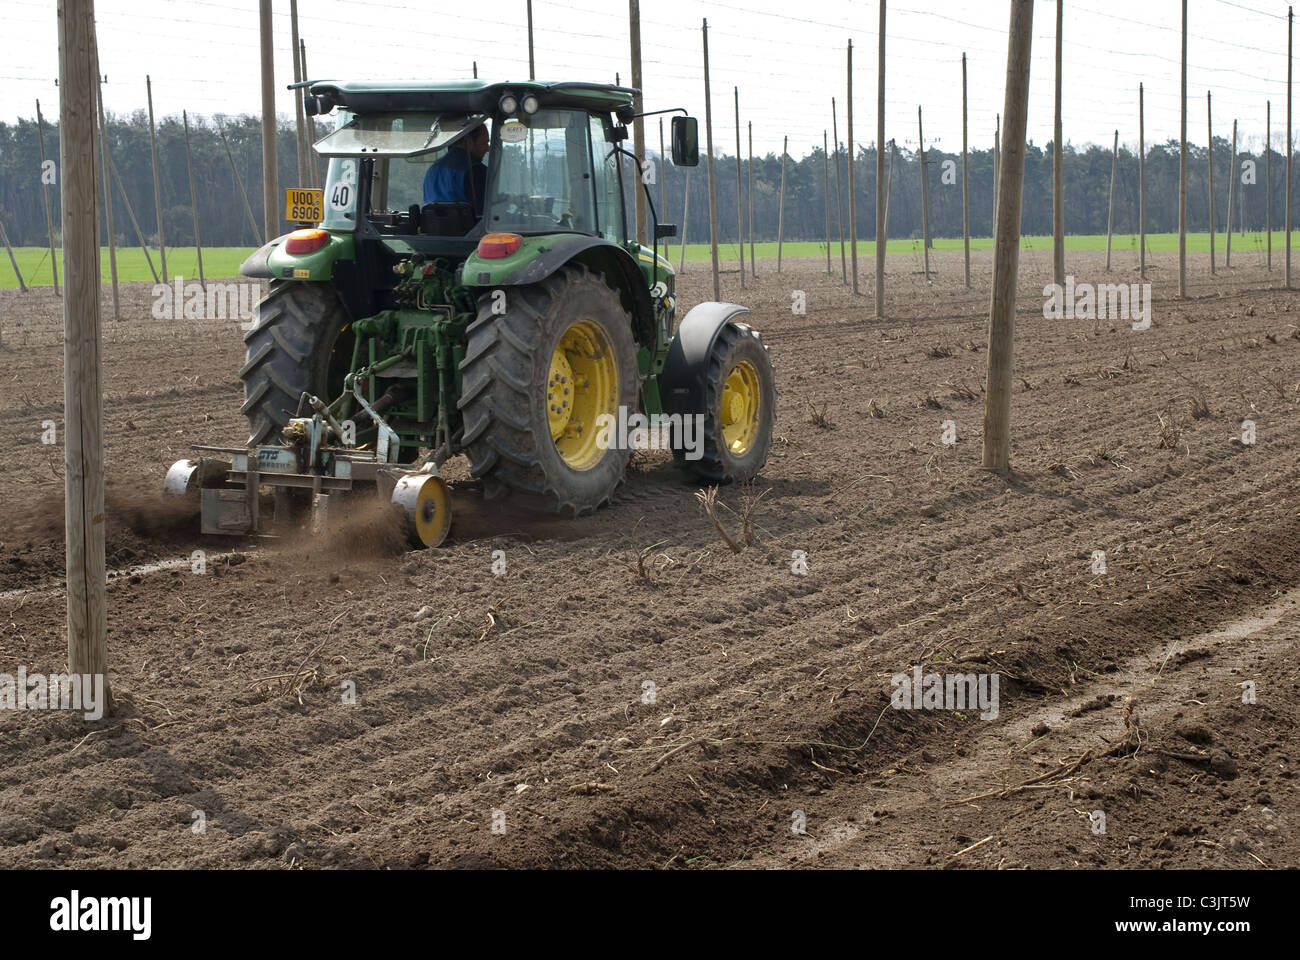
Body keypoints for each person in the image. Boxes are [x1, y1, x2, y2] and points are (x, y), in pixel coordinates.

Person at [423, 122, 489, 216]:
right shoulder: (476, 170)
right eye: (484, 143)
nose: (488, 149)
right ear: (469, 142)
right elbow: (486, 213)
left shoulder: (432, 170)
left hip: (432, 229)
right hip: (468, 229)